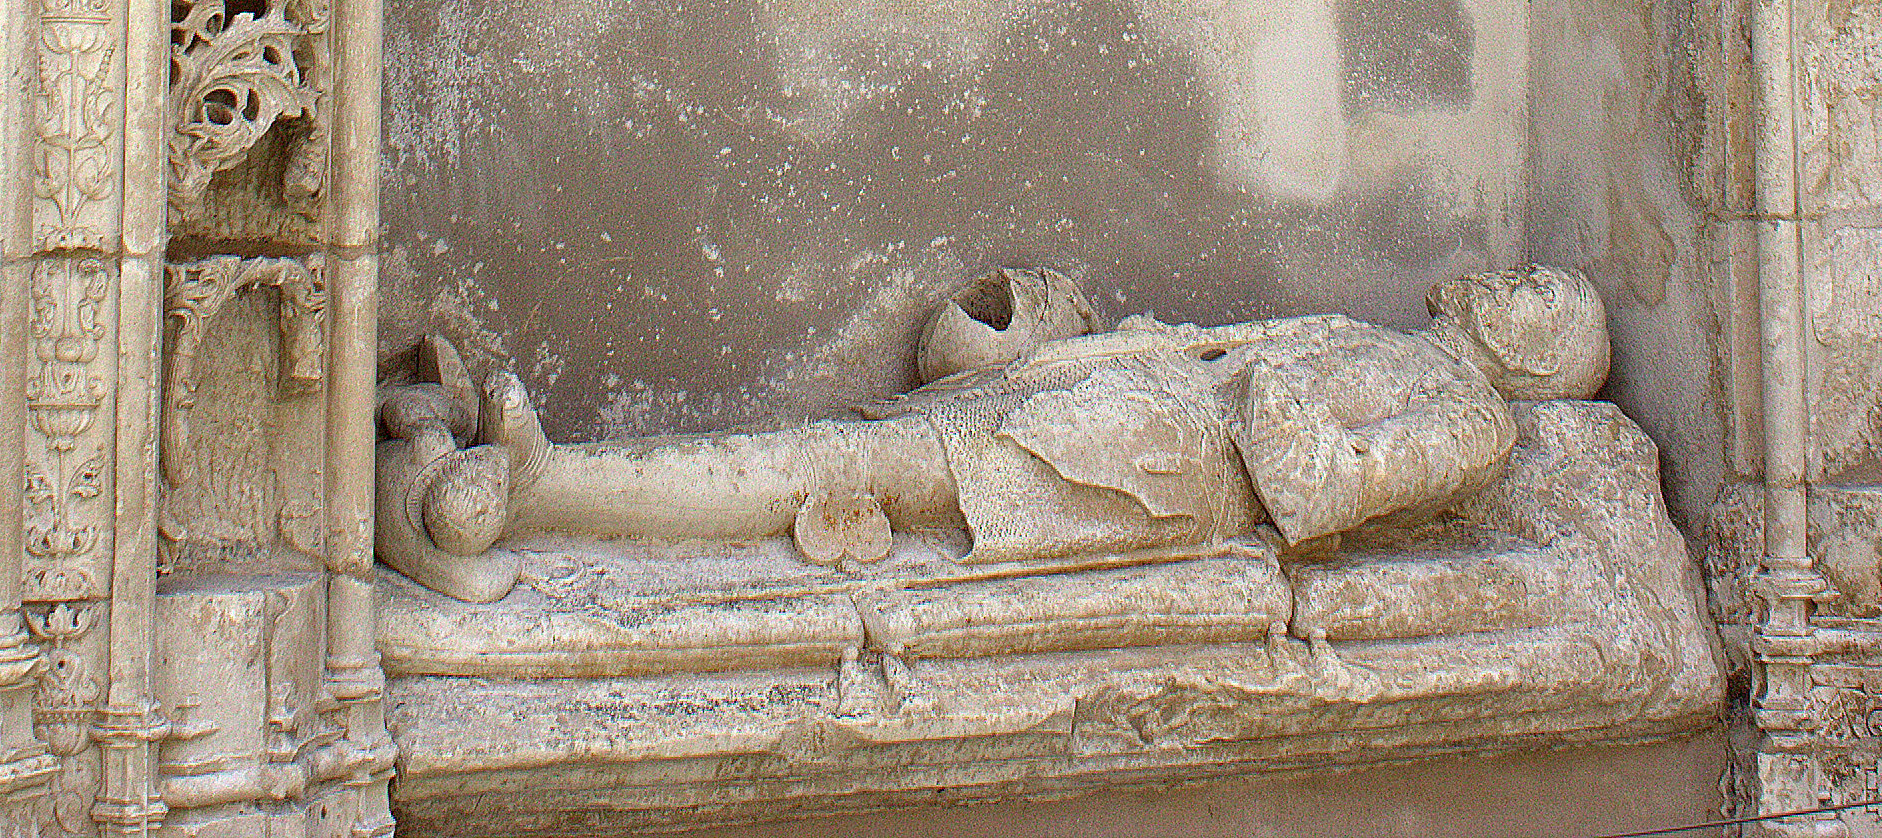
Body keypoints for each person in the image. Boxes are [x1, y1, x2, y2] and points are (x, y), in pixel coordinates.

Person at [377, 263, 1610, 604]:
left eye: (1550, 301)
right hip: (1107, 412)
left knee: (825, 464)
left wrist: (1256, 382)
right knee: (833, 447)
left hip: (1140, 477)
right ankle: (541, 485)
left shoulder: (1470, 418)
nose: (1525, 288)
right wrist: (1082, 337)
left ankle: (541, 492)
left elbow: (1319, 489)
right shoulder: (1400, 345)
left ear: (1549, 363)